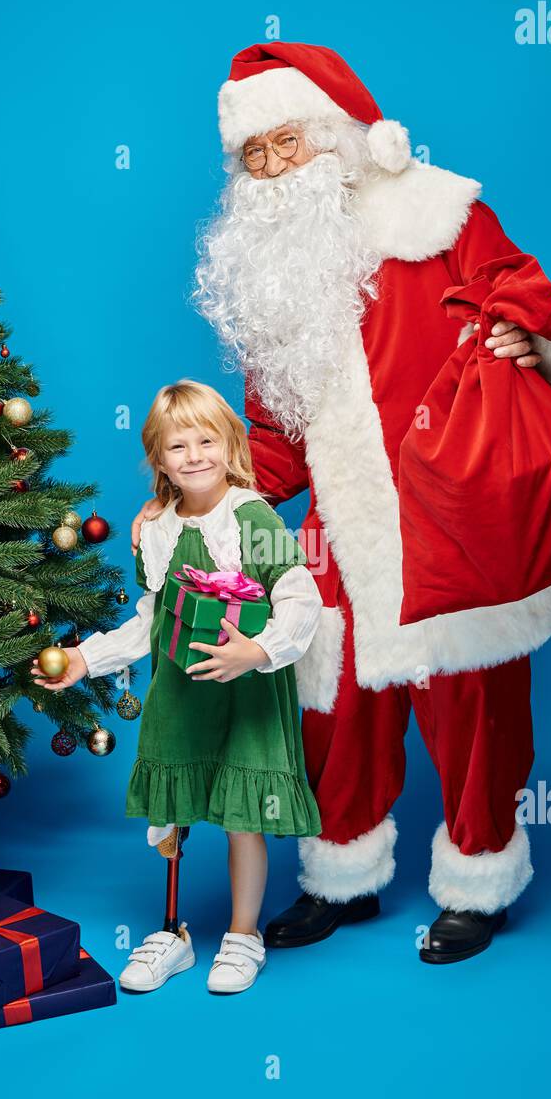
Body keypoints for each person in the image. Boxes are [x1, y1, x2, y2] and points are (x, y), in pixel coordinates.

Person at [131, 41, 551, 965]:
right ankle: (341, 875)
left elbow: (529, 294)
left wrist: (527, 340)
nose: (268, 170)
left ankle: (478, 873)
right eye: (251, 155)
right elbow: (272, 434)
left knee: (472, 702)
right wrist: (191, 493)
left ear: (333, 137)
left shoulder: (437, 214)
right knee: (333, 707)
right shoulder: (276, 277)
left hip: (449, 509)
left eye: (283, 144)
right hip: (336, 527)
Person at [33, 380, 322, 994]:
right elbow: (152, 616)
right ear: (158, 459)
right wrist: (87, 658)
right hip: (182, 694)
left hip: (245, 692)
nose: (194, 456)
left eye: (206, 441)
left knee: (244, 817)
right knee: (173, 809)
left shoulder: (252, 516)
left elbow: (300, 592)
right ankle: (174, 933)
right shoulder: (158, 526)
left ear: (230, 445)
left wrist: (259, 649)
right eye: (177, 446)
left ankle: (243, 936)